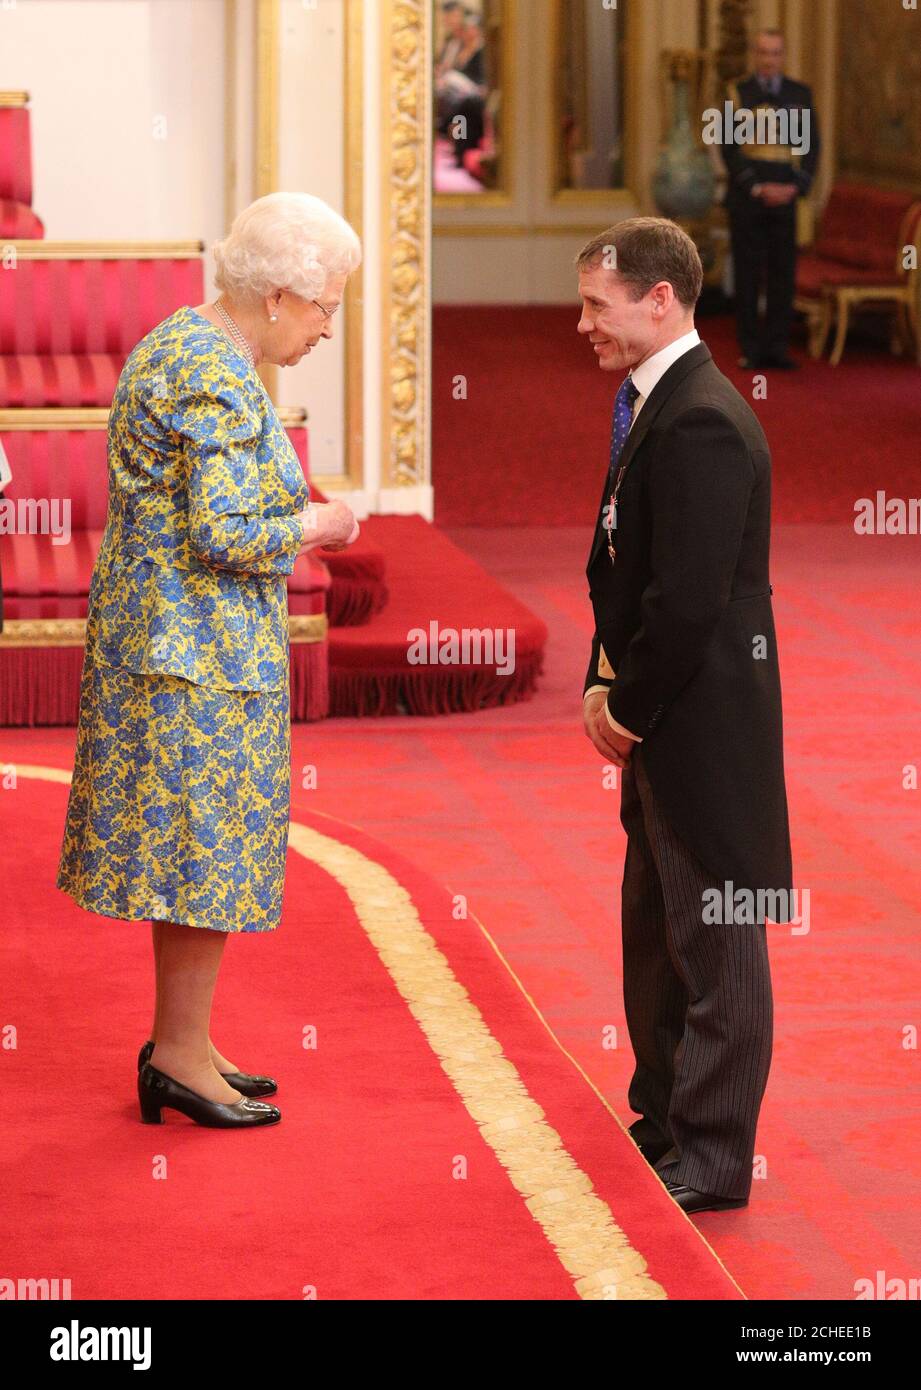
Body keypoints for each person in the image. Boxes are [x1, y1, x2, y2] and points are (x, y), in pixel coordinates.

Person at [56, 192, 361, 1129]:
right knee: (199, 852)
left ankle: (185, 1041)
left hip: (190, 645)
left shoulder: (198, 345)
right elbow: (226, 529)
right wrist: (322, 521)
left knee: (202, 848)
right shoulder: (212, 372)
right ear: (276, 296)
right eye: (325, 308)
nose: (327, 328)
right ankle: (180, 1057)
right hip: (188, 653)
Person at [576, 217, 793, 1212]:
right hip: (664, 717)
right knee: (657, 930)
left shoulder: (702, 415)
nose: (583, 323)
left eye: (596, 303)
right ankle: (664, 1120)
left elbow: (691, 597)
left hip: (700, 727)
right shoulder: (652, 403)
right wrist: (599, 677)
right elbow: (624, 569)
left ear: (659, 298)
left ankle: (711, 1157)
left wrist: (625, 704)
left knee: (716, 939)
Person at [719, 28, 820, 369]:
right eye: (763, 52)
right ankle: (750, 348)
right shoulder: (737, 92)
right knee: (747, 274)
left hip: (786, 196)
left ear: (783, 56)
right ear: (754, 55)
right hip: (749, 198)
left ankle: (777, 347)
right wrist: (757, 188)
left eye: (775, 53)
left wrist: (795, 187)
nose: (768, 59)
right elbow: (729, 149)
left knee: (782, 273)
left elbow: (812, 146)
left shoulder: (800, 94)